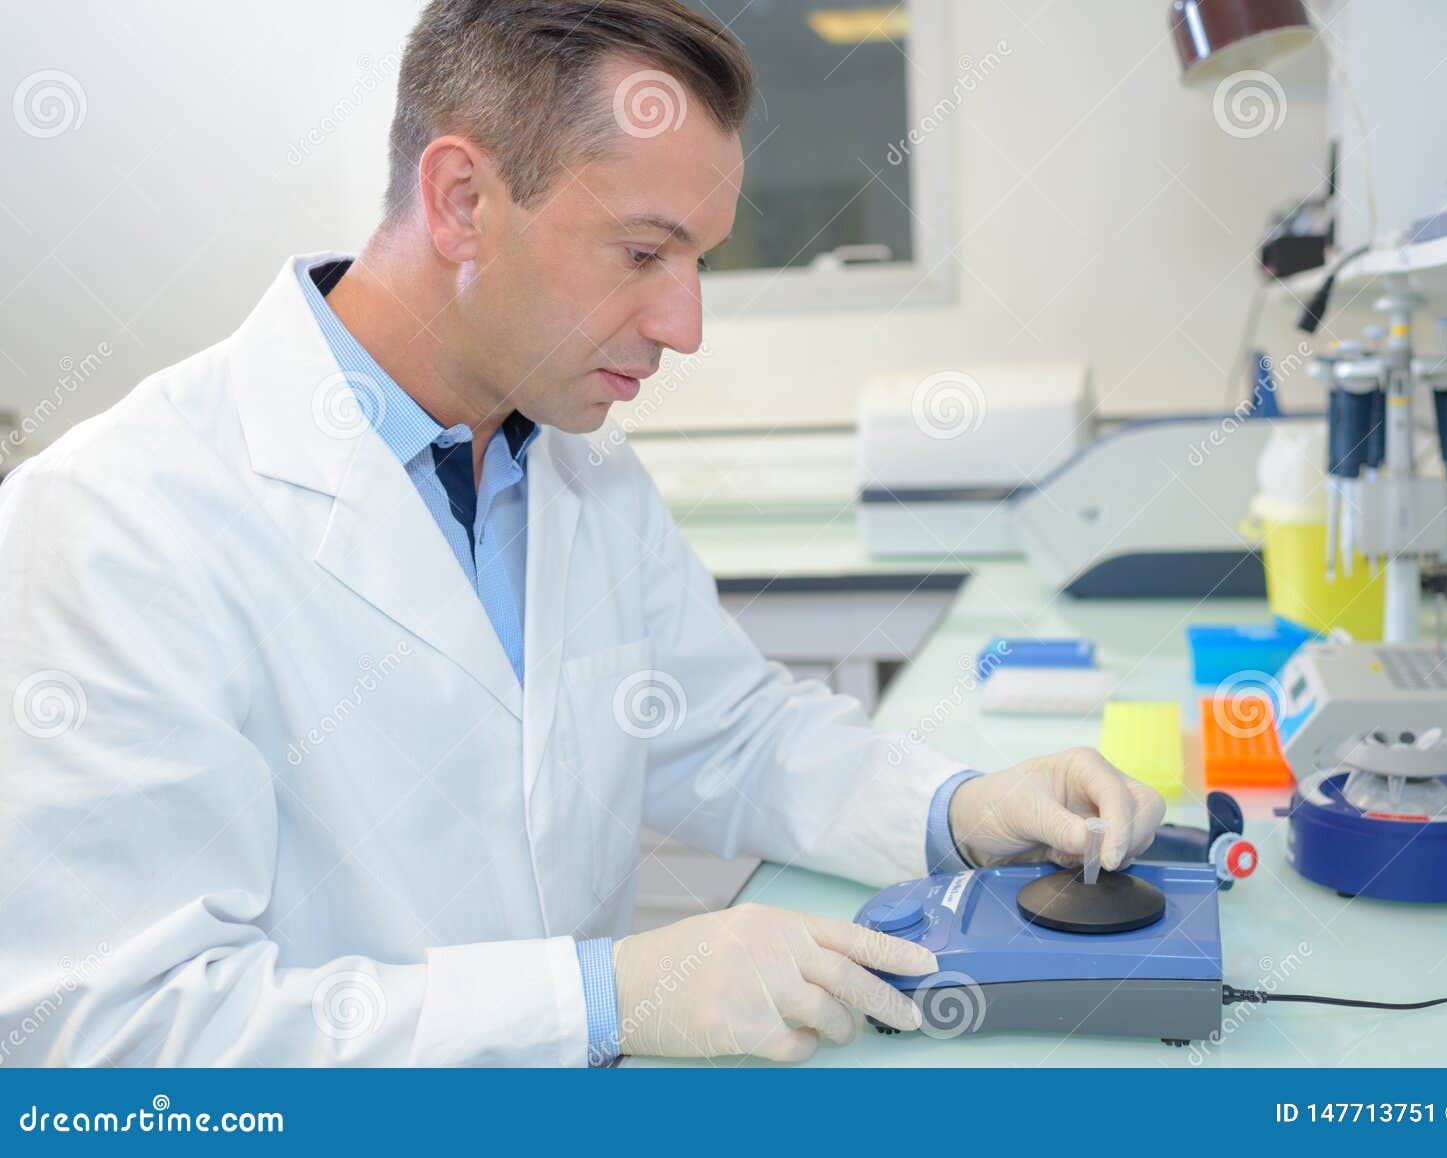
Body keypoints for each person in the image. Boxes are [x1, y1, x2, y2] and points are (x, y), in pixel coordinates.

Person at [0, 0, 1164, 1067]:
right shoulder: (116, 521)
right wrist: (600, 1000)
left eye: (697, 261)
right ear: (462, 201)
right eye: (644, 253)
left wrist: (959, 808)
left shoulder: (574, 465)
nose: (685, 324)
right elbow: (113, 1034)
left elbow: (730, 736)